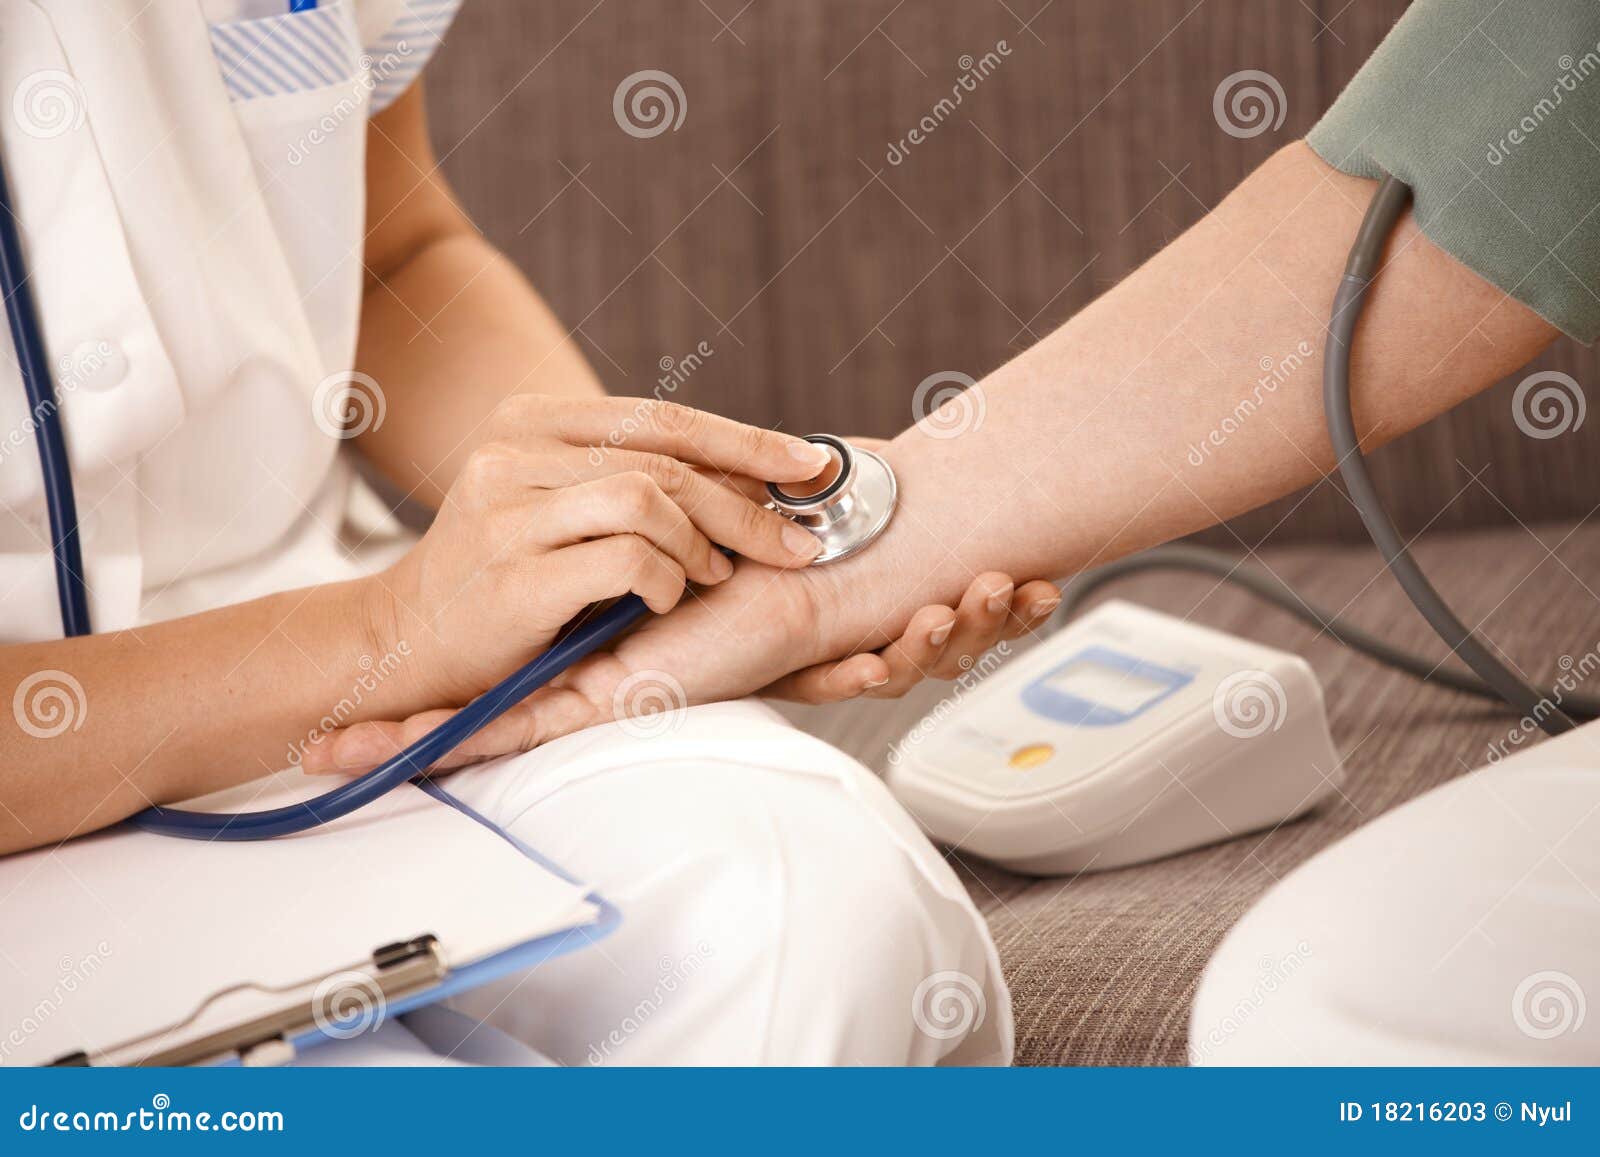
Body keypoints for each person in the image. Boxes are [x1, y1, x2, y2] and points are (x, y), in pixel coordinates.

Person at [312, 0, 1600, 1065]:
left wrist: (767, 565)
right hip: (299, 652)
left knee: (828, 921)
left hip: (378, 628)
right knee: (1329, 1018)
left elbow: (1498, 164)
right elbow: (1478, 164)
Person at [0, 1, 1053, 1065]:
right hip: (144, 758)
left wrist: (618, 544)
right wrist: (385, 634)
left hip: (379, 662)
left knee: (817, 914)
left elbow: (388, 256)